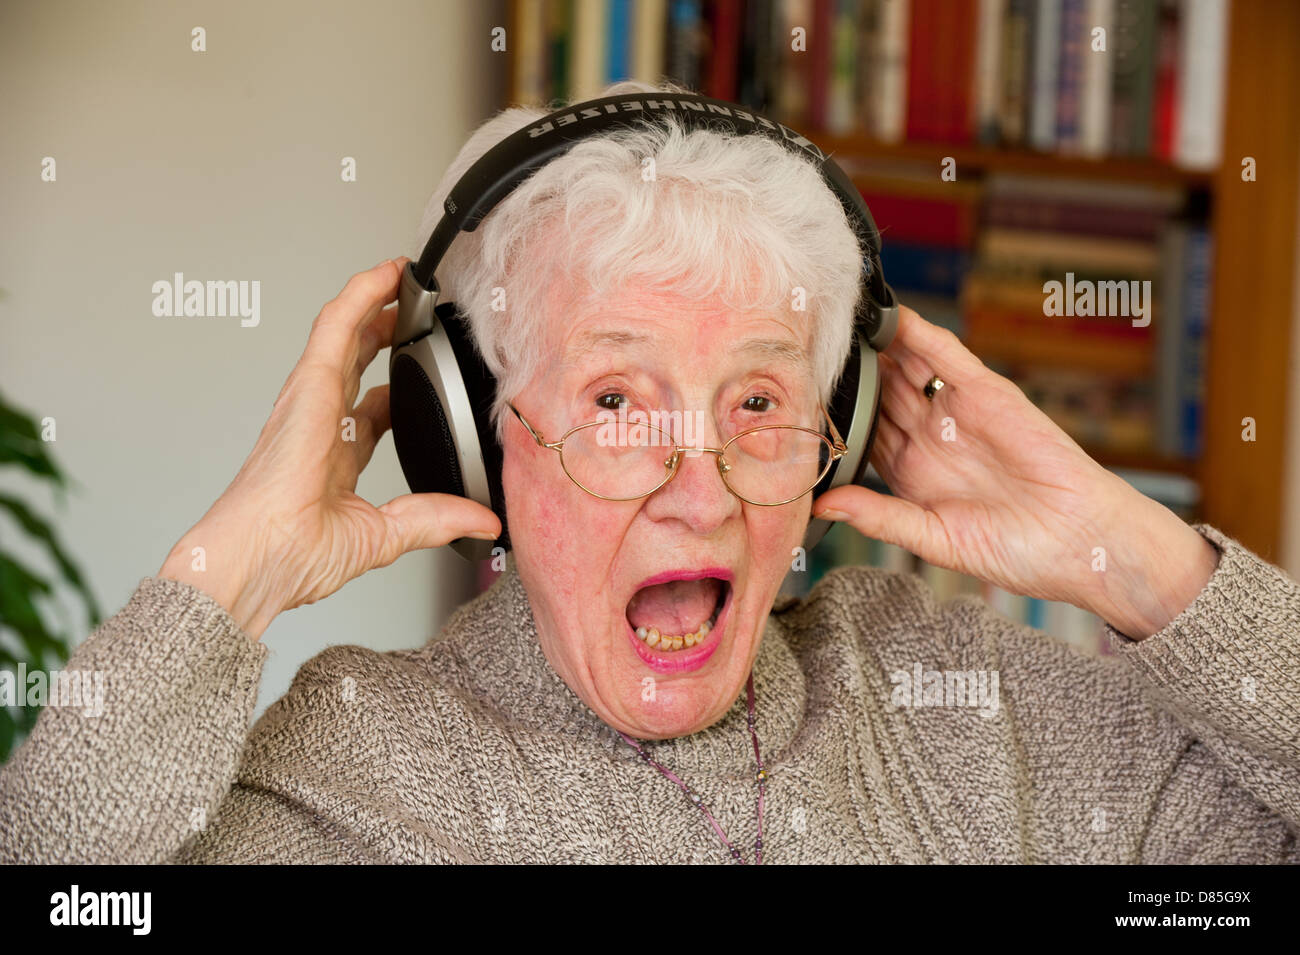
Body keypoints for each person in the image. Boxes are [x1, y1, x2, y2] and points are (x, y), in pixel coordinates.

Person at [2, 80, 1296, 864]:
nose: (707, 489)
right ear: (473, 433)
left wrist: (1140, 562)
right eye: (618, 400)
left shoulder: (973, 709)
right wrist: (229, 578)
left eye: (761, 400)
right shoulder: (373, 767)